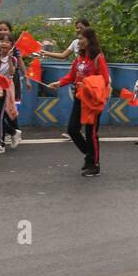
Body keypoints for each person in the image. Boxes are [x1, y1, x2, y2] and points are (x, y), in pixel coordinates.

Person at [54, 27, 110, 177]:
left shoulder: (98, 58)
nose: (79, 41)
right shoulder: (79, 58)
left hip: (92, 101)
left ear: (89, 40)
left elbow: (105, 79)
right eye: (78, 38)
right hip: (79, 99)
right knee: (72, 129)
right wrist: (59, 83)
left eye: (82, 38)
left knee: (91, 133)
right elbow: (72, 76)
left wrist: (87, 84)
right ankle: (89, 154)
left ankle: (94, 164)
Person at [40, 18, 90, 140]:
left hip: (89, 83)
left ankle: (84, 136)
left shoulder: (92, 44)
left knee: (86, 107)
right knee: (79, 106)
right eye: (77, 28)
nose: (78, 30)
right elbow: (63, 55)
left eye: (81, 27)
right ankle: (76, 131)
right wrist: (46, 53)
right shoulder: (75, 43)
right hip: (77, 80)